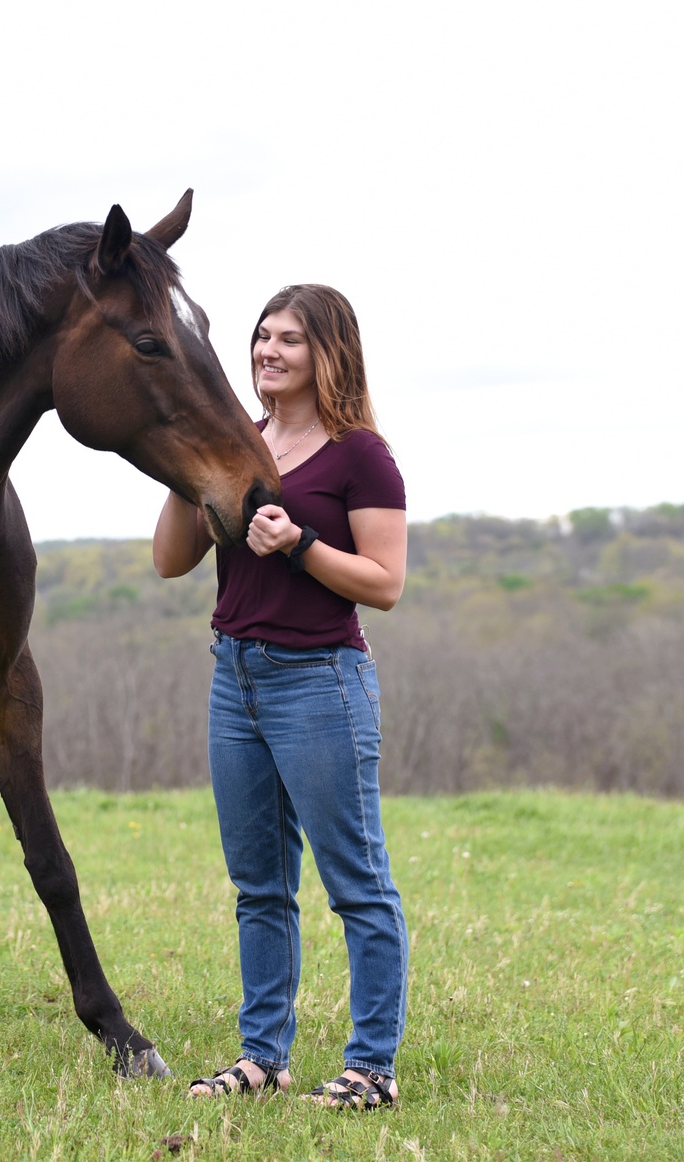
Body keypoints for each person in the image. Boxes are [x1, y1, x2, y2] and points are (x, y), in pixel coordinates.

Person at [153, 284, 408, 1111]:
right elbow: (168, 561)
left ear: (327, 353)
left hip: (320, 682)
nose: (268, 350)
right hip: (236, 679)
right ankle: (263, 1056)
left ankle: (372, 1068)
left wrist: (300, 545)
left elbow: (385, 582)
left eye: (288, 339)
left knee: (356, 883)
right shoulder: (241, 444)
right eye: (262, 336)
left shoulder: (359, 454)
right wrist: (185, 466)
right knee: (258, 885)